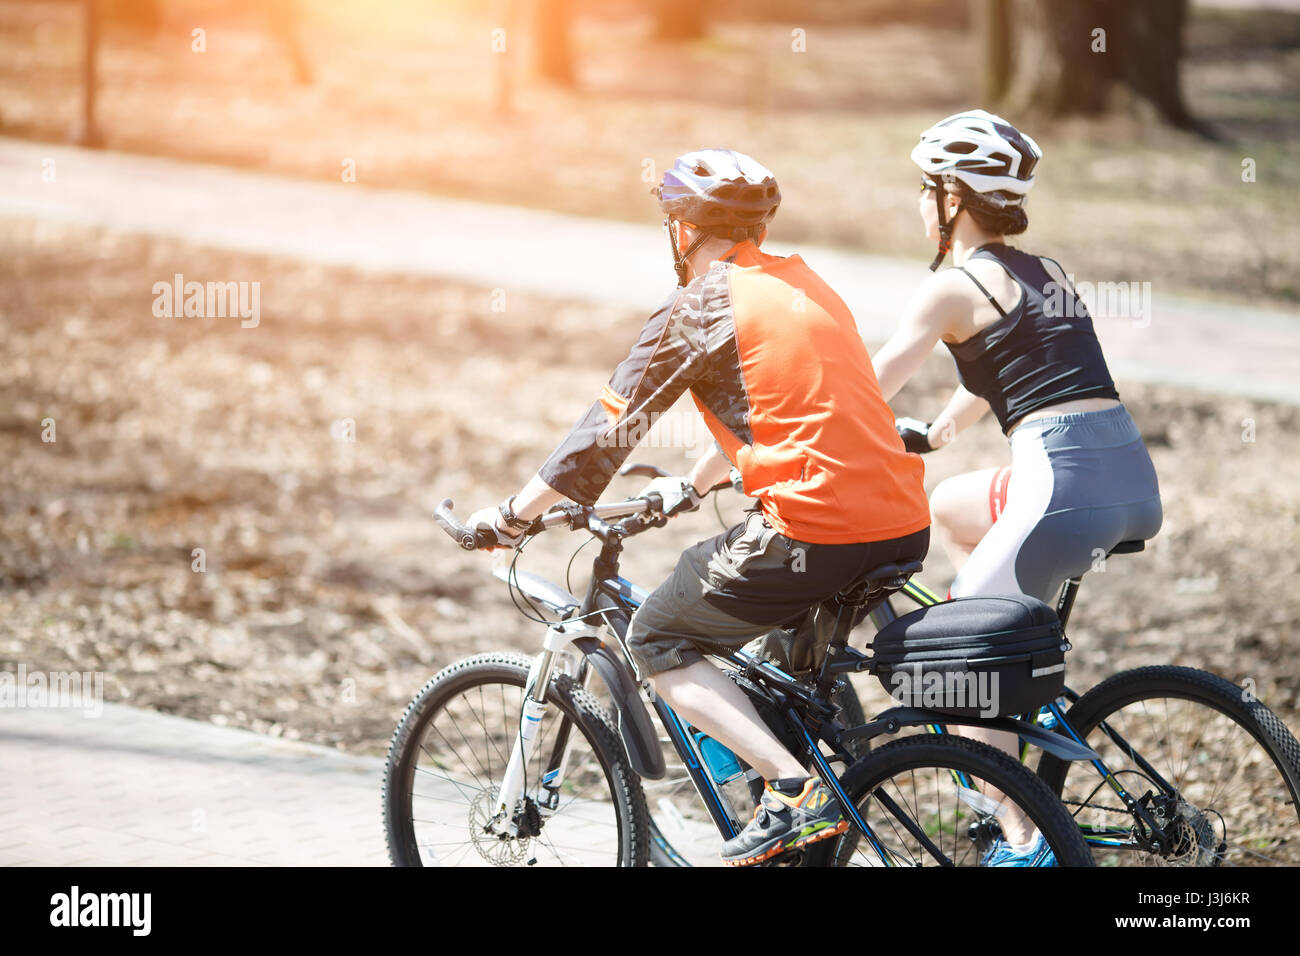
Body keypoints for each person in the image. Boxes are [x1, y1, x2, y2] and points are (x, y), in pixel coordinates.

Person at [463, 149, 930, 865]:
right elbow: (788, 411)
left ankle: (791, 792)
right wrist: (688, 486)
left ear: (681, 230)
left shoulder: (702, 303)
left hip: (815, 526)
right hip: (900, 524)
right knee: (775, 673)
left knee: (658, 635)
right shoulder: (804, 284)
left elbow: (604, 431)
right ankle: (812, 816)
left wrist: (515, 514)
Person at [871, 109, 1164, 865]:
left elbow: (870, 386)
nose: (918, 202)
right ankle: (1024, 677)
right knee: (952, 506)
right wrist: (934, 434)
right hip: (1127, 475)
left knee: (958, 654)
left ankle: (1021, 839)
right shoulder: (1047, 273)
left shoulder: (951, 288)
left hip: (1060, 485)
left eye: (925, 188)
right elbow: (1009, 371)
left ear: (952, 199)